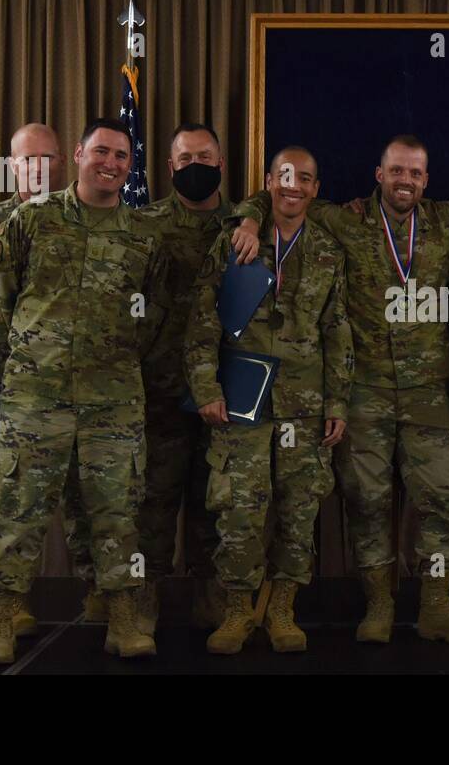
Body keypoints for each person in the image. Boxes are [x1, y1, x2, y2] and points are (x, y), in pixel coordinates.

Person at [227, 135, 449, 644]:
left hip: (428, 390)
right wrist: (250, 218)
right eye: (396, 171)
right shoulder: (343, 220)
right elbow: (286, 195)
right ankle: (379, 606)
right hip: (363, 388)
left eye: (414, 173)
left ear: (426, 180)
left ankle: (436, 603)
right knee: (366, 498)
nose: (405, 180)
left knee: (441, 495)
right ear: (379, 174)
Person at [0, 118, 168, 664]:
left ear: (131, 167)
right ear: (79, 154)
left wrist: (119, 358)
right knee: (20, 509)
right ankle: (0, 619)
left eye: (122, 157)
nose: (111, 163)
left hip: (114, 401)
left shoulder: (143, 236)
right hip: (36, 397)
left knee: (117, 512)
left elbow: (153, 316)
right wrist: (27, 354)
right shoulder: (31, 220)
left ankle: (123, 619)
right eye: (101, 152)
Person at [184, 146, 353, 654]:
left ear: (316, 190)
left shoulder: (327, 250)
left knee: (298, 512)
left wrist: (337, 402)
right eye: (284, 177)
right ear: (267, 183)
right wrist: (206, 389)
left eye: (304, 178)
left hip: (304, 405)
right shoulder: (235, 243)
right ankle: (238, 610)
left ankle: (282, 609)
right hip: (242, 402)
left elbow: (337, 329)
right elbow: (202, 322)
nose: (293, 186)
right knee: (240, 508)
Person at [0, 123, 99, 631]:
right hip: (13, 390)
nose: (37, 167)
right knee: (17, 497)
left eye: (46, 158)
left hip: (84, 389)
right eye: (26, 159)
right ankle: (12, 601)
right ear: (11, 165)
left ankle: (97, 592)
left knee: (86, 495)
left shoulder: (86, 217)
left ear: (63, 162)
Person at [133, 123, 233, 633]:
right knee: (153, 497)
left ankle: (209, 592)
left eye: (205, 156)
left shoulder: (242, 225)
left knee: (213, 496)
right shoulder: (142, 225)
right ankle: (143, 593)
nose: (196, 165)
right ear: (169, 168)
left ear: (221, 163)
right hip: (160, 388)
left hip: (227, 389)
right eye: (185, 158)